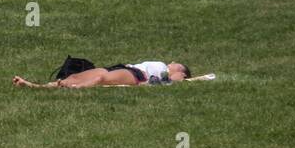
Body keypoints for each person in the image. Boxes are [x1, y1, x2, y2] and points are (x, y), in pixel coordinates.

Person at [14, 61, 192, 89]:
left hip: (137, 75)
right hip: (124, 67)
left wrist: (178, 75)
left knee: (101, 79)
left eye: (178, 64)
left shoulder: (172, 72)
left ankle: (78, 89)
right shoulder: (163, 63)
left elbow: (179, 79)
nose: (173, 62)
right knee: (74, 76)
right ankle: (34, 85)